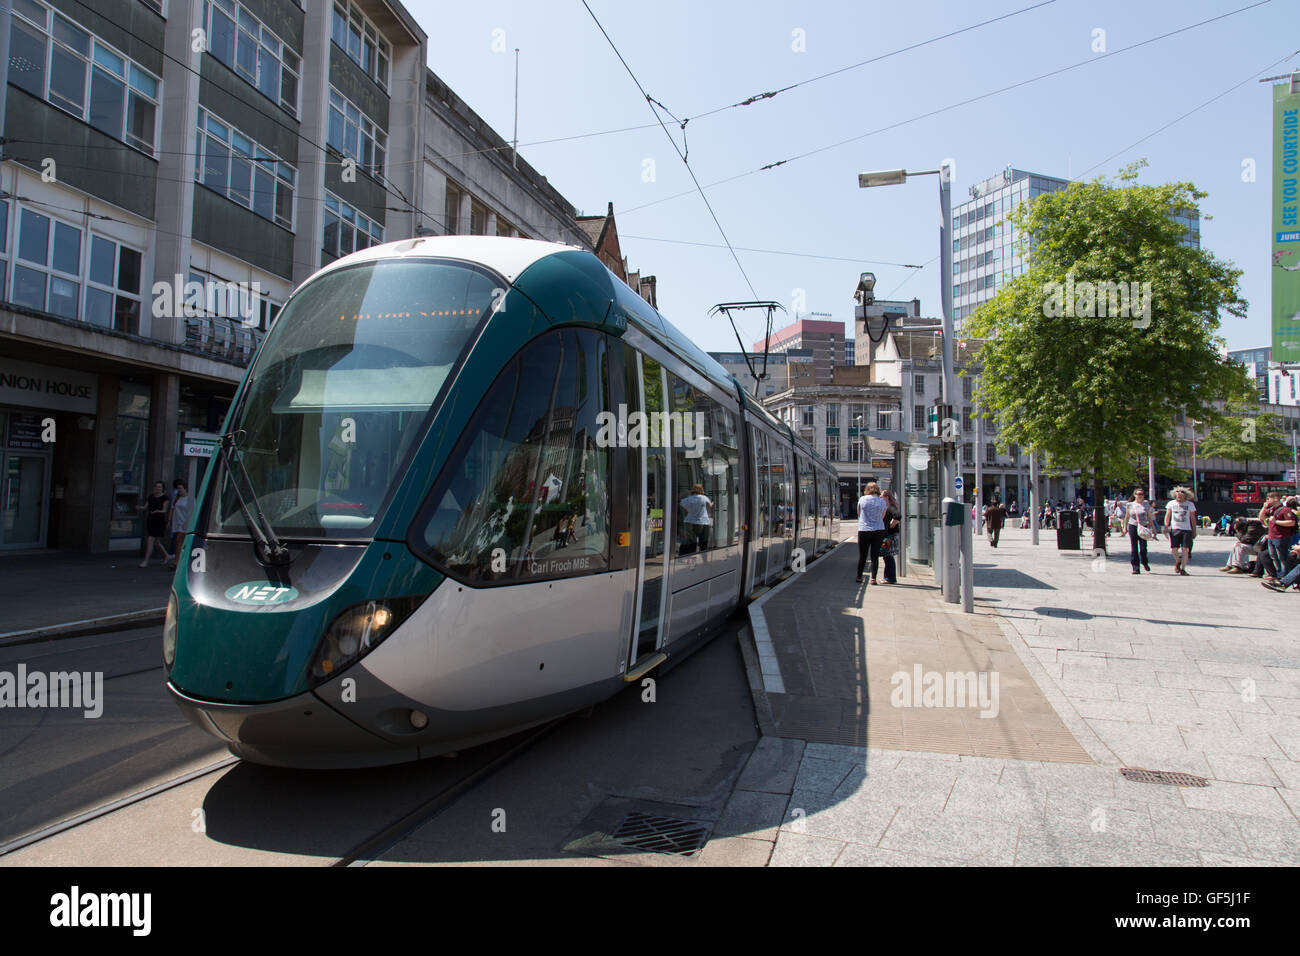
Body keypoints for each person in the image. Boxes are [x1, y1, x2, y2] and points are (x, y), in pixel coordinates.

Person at [855, 481, 896, 585]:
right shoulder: (882, 502)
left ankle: (859, 577)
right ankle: (873, 578)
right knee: (874, 556)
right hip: (878, 530)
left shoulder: (862, 499)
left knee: (863, 555)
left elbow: (859, 513)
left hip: (864, 530)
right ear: (877, 490)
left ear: (867, 490)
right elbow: (882, 516)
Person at [1261, 492, 1297, 586]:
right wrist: (1264, 508)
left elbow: (1291, 522)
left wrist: (1276, 521)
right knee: (1274, 557)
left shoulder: (1285, 510)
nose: (1267, 500)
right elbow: (1261, 517)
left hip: (1281, 537)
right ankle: (1279, 576)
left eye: (1269, 498)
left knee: (1282, 558)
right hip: (1272, 537)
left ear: (1276, 498)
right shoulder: (1271, 509)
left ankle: (1284, 577)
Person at [138, 481, 172, 568]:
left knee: (150, 540)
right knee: (156, 542)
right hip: (151, 520)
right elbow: (146, 507)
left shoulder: (165, 498)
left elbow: (165, 510)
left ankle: (146, 561)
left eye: (159, 487)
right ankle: (166, 556)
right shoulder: (151, 497)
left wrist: (158, 511)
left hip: (159, 521)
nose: (158, 488)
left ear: (162, 488)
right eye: (156, 486)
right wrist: (140, 507)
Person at [1164, 486, 1197, 575]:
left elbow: (1193, 518)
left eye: (1181, 493)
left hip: (1186, 529)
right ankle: (1178, 561)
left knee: (1185, 549)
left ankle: (1183, 568)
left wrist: (1194, 530)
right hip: (1175, 528)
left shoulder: (1190, 505)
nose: (1179, 495)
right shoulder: (1171, 503)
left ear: (1185, 495)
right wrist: (1166, 526)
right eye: (1177, 493)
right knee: (1174, 549)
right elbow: (1167, 515)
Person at [1125, 487, 1155, 574]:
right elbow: (1127, 516)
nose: (1140, 496)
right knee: (1134, 547)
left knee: (1143, 548)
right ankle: (1135, 567)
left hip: (1143, 527)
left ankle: (1144, 562)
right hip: (1133, 526)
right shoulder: (1130, 505)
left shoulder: (1146, 504)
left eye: (1142, 494)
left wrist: (1153, 528)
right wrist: (1124, 527)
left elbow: (1149, 516)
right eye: (1138, 494)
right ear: (1135, 495)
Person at [679, 483, 713, 555]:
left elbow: (681, 504)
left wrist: (689, 510)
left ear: (693, 490)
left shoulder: (687, 499)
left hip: (689, 522)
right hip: (703, 522)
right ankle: (704, 558)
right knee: (703, 543)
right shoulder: (704, 498)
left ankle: (691, 557)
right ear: (702, 490)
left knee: (691, 542)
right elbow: (710, 506)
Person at [166, 479, 191, 569]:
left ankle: (176, 562)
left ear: (185, 489)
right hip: (176, 522)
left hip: (183, 523)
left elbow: (192, 510)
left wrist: (187, 521)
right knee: (177, 542)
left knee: (180, 542)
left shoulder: (189, 498)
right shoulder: (177, 498)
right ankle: (178, 560)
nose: (179, 490)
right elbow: (172, 509)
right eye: (178, 489)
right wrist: (169, 520)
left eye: (181, 488)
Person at [879, 489, 902, 584]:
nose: (880, 499)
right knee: (887, 557)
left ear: (886, 497)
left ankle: (890, 578)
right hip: (889, 535)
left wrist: (893, 523)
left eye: (881, 497)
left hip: (890, 536)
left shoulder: (891, 508)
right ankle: (887, 577)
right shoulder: (888, 507)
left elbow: (898, 515)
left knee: (888, 557)